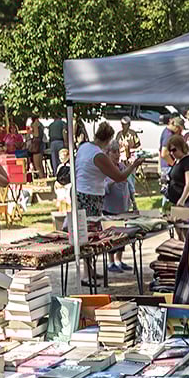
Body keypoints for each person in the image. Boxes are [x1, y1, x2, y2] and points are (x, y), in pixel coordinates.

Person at [75, 122, 143, 286]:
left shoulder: (84, 147)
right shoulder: (98, 155)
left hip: (82, 193)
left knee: (86, 234)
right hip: (91, 197)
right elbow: (119, 176)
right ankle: (86, 274)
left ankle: (88, 270)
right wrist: (133, 166)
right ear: (109, 138)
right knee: (90, 235)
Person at [102, 140, 132, 273]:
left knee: (122, 236)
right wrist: (115, 180)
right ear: (107, 154)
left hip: (123, 207)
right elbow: (104, 188)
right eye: (113, 152)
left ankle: (120, 260)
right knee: (112, 236)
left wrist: (133, 201)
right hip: (110, 208)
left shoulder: (122, 167)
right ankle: (111, 262)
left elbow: (129, 185)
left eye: (118, 152)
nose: (116, 155)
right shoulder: (105, 169)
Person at [165, 135, 189, 207]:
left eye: (174, 150)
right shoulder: (176, 161)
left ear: (181, 147)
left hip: (187, 202)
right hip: (174, 201)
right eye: (170, 151)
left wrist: (182, 199)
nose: (172, 153)